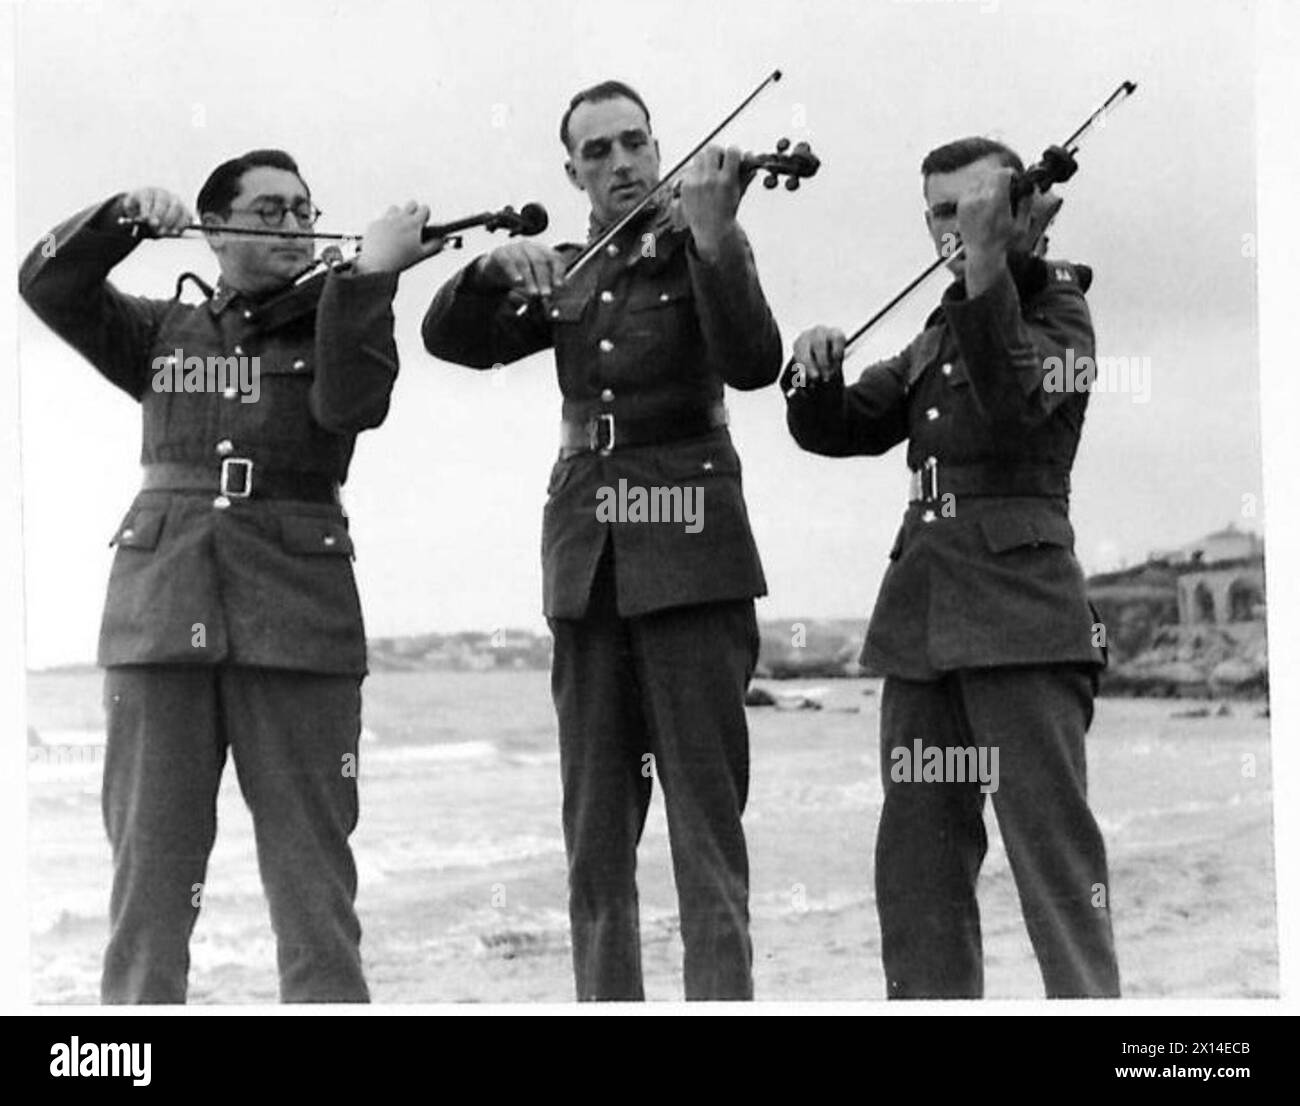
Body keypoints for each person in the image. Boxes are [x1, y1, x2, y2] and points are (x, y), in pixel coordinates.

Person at [19, 149, 443, 1003]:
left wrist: (371, 280)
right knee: (149, 886)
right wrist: (120, 218)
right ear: (214, 229)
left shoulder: (339, 313)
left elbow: (352, 408)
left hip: (298, 623)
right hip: (161, 617)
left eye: (303, 210)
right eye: (270, 211)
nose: (293, 226)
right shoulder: (156, 333)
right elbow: (47, 286)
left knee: (314, 891)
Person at [422, 80, 782, 1001]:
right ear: (573, 171)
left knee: (707, 835)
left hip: (692, 555)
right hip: (588, 562)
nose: (621, 164)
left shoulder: (703, 243)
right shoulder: (570, 270)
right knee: (594, 838)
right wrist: (488, 269)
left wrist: (716, 232)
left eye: (634, 144)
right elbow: (453, 342)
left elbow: (752, 360)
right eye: (598, 152)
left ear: (660, 147)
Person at [783, 136, 1121, 998]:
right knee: (918, 876)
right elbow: (843, 428)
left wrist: (986, 268)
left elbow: (1013, 403)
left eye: (974, 208)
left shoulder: (1064, 312)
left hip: (1024, 625)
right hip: (925, 631)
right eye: (942, 213)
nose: (956, 228)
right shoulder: (937, 333)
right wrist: (811, 375)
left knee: (1056, 871)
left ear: (1018, 210)